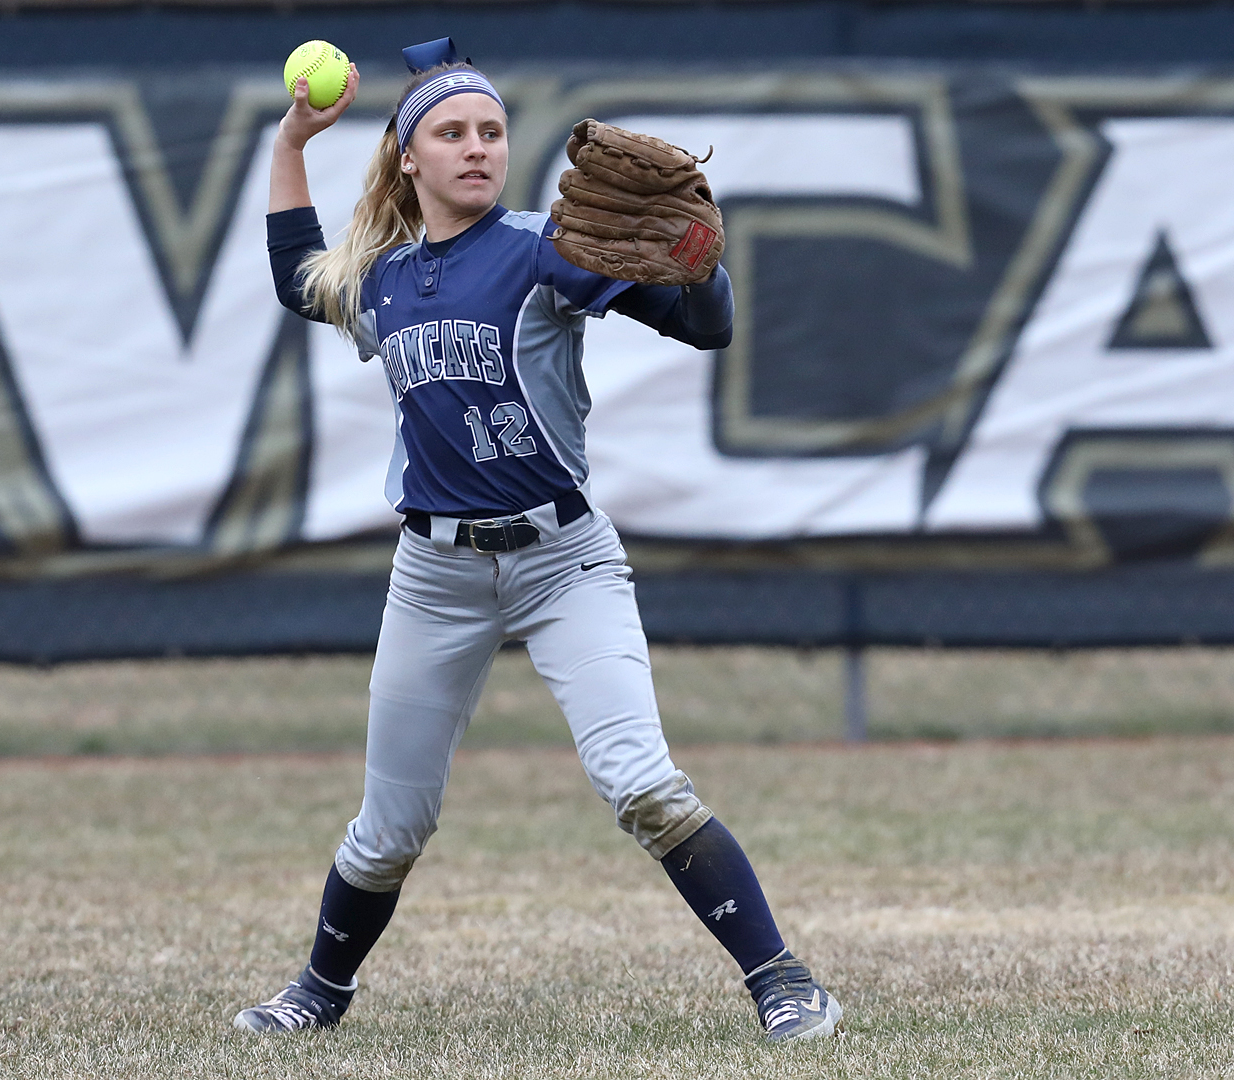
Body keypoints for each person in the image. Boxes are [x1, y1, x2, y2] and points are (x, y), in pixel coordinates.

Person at [234, 38, 841, 1043]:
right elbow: (295, 274)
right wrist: (293, 139)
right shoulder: (379, 278)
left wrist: (702, 272)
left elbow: (705, 327)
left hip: (564, 563)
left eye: (491, 131)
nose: (476, 148)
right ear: (406, 159)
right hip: (433, 576)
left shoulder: (541, 247)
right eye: (451, 133)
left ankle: (782, 978)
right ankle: (318, 993)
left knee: (643, 785)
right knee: (388, 829)